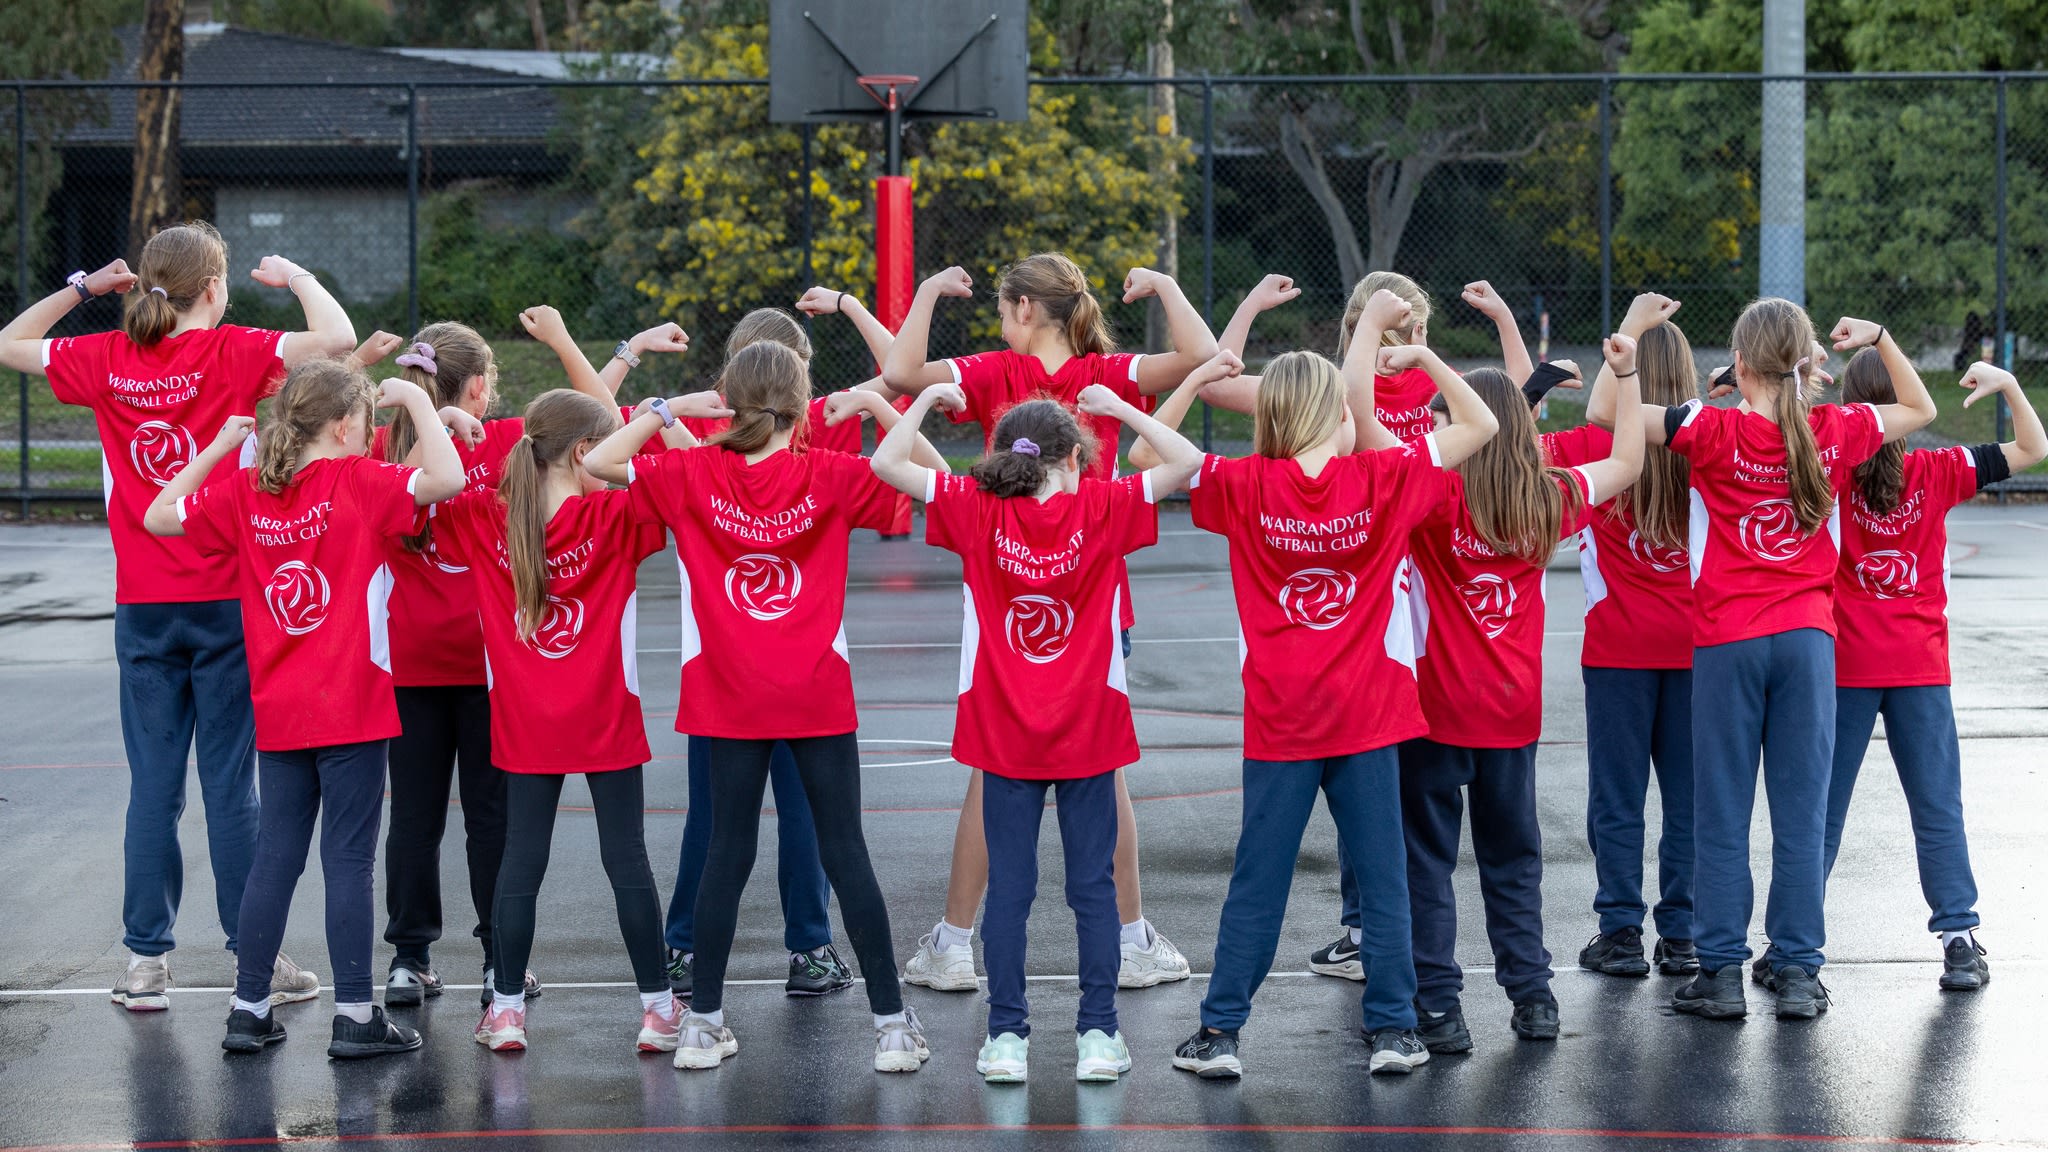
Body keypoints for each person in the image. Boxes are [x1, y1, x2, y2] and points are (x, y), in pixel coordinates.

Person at [0, 224, 354, 1011]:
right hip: (227, 598)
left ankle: (144, 964)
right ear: (217, 287)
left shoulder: (104, 357)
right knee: (232, 785)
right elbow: (339, 338)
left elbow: (10, 342)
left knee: (153, 785)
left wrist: (88, 287)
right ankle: (251, 957)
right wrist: (294, 271)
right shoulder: (234, 352)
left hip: (144, 604)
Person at [585, 340, 950, 1074]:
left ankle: (703, 1024)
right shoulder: (833, 472)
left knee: (727, 854)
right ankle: (890, 1026)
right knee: (846, 852)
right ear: (800, 398)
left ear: (731, 399)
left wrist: (662, 414)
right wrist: (893, 407)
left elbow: (596, 463)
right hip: (815, 694)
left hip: (727, 698)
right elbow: (940, 484)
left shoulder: (692, 471)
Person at [1168, 300, 1502, 1081]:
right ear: (1340, 415)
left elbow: (1167, 456)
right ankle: (1394, 1030)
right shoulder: (1382, 475)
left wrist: (1164, 395)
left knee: (1258, 882)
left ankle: (1220, 1034)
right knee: (1386, 882)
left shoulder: (1245, 483)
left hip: (1283, 721)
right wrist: (1423, 362)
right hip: (1367, 717)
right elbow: (1482, 425)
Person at [881, 256, 1216, 993]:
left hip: (1015, 600)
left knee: (993, 770)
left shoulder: (1011, 372)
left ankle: (956, 942)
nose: (1000, 323)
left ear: (1026, 309)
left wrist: (931, 291)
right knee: (1105, 774)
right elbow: (1200, 358)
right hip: (1090, 603)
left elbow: (902, 373)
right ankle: (1127, 941)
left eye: (1004, 309)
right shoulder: (1096, 374)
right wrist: (1166, 284)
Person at [1605, 300, 1936, 1022]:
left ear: (1742, 364)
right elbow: (1920, 403)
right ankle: (1796, 972)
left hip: (1728, 641)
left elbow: (1610, 414)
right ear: (1809, 362)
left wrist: (1630, 351)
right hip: (1809, 642)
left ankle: (1720, 973)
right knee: (1801, 815)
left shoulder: (1711, 427)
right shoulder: (1834, 429)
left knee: (1721, 811)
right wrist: (1879, 336)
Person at [142, 360, 464, 1057]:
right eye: (369, 419)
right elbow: (449, 478)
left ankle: (248, 1007)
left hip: (281, 704)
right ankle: (354, 1015)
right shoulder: (360, 482)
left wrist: (220, 449)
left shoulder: (248, 492)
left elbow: (157, 514)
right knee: (348, 860)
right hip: (352, 701)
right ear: (347, 425)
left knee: (274, 859)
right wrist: (415, 398)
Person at [368, 309, 688, 1010]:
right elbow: (588, 427)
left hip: (428, 663)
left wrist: (423, 413)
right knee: (500, 828)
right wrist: (632, 370)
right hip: (503, 675)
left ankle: (413, 958)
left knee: (419, 820)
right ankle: (512, 975)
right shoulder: (522, 454)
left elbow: (575, 430)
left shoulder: (417, 459)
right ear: (480, 387)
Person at [432, 388, 726, 1053]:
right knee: (627, 860)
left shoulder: (487, 518)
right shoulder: (616, 517)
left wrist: (446, 422)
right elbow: (701, 486)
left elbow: (431, 488)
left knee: (520, 864)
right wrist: (665, 415)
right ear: (588, 452)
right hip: (603, 716)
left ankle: (505, 1010)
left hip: (523, 718)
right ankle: (657, 1011)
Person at [1399, 334, 1645, 1054]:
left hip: (1437, 712)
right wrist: (1625, 375)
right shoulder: (1550, 498)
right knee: (1512, 863)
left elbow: (1371, 437)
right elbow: (1628, 461)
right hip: (1512, 714)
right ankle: (1533, 997)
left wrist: (1418, 360)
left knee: (1428, 865)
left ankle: (1440, 1009)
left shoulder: (1435, 495)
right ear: (1525, 428)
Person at [659, 295, 904, 1002]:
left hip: (744, 657)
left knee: (749, 822)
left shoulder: (753, 448)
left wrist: (664, 408)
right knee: (746, 821)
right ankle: (748, 946)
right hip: (761, 658)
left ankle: (756, 951)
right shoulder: (794, 447)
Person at [1822, 354, 2043, 991]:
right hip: (1921, 665)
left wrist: (1798, 376)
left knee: (1823, 811)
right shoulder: (1938, 469)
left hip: (1848, 666)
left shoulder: (1828, 474)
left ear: (1852, 409)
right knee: (1936, 807)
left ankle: (1792, 944)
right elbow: (2035, 446)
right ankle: (1959, 939)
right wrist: (2007, 385)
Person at [1552, 292, 1701, 978]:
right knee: (1690, 797)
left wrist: (1629, 335)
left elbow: (1589, 418)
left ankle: (1619, 932)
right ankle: (1684, 931)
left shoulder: (1598, 447)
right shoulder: (1715, 444)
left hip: (1617, 650)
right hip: (1700, 648)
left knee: (1617, 798)